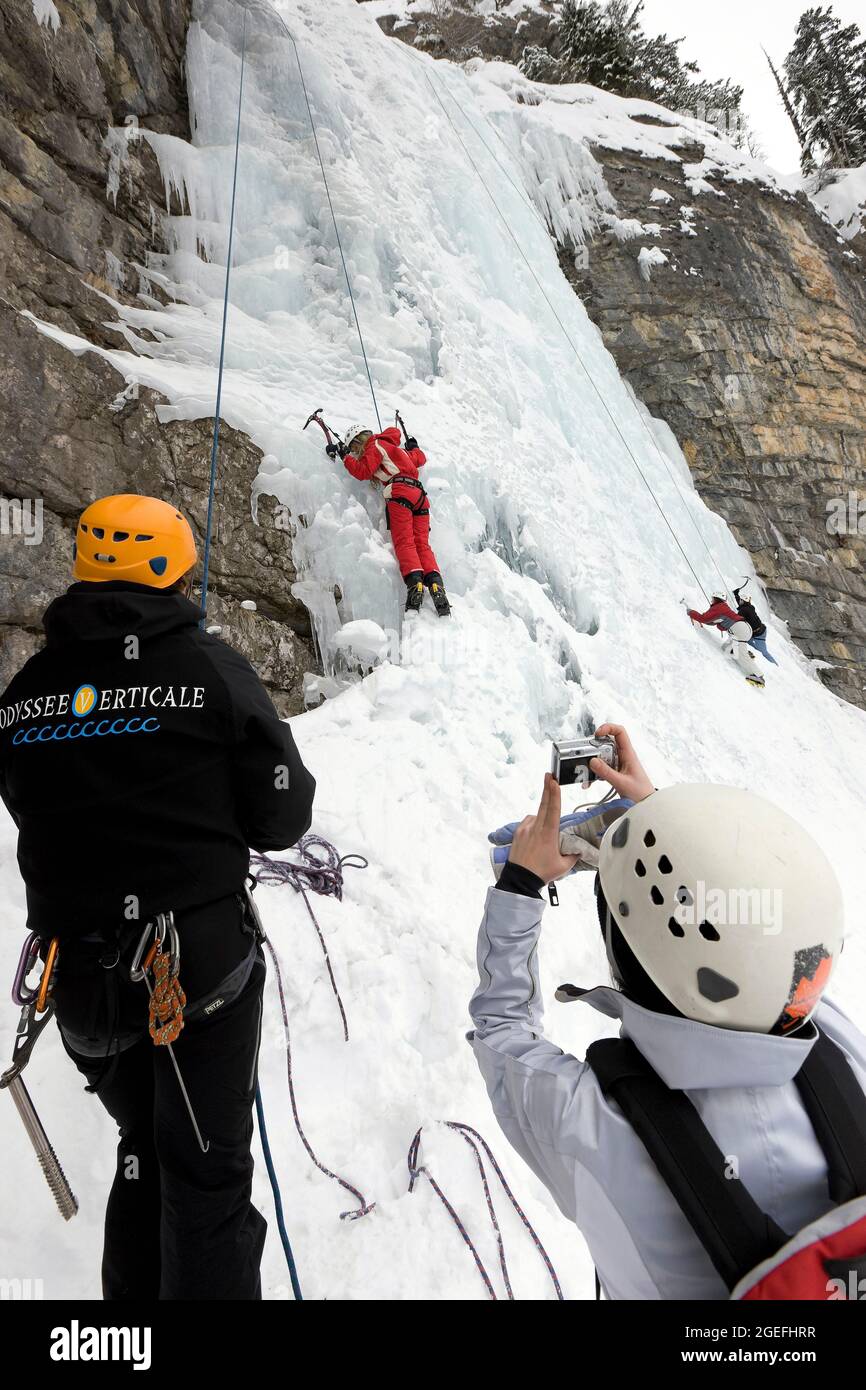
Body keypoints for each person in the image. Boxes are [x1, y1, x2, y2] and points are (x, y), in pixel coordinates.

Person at [0, 494, 316, 1301]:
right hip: (194, 969)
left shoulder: (29, 689)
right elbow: (282, 815)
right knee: (204, 1180)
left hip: (82, 990)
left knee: (142, 1149)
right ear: (176, 572)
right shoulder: (208, 666)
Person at [469, 724, 866, 1300]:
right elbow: (763, 947)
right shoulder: (844, 1052)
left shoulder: (596, 1129)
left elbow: (500, 1025)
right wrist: (659, 826)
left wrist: (522, 882)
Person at [328, 424, 451, 616]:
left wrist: (344, 457)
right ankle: (436, 585)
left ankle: (415, 584)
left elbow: (363, 471)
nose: (354, 453)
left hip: (400, 493)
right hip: (420, 496)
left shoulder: (374, 446)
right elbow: (419, 458)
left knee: (405, 542)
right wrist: (413, 447)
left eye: (353, 448)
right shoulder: (394, 448)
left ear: (359, 441)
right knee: (422, 544)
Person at [687, 593, 763, 684]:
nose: (711, 600)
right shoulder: (722, 607)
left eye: (712, 598)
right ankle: (739, 651)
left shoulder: (718, 608)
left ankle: (758, 676)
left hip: (740, 630)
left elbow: (704, 619)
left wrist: (691, 612)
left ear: (716, 599)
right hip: (743, 628)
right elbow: (713, 621)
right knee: (725, 648)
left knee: (741, 655)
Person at [733, 582, 778, 665]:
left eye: (740, 600)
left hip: (759, 635)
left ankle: (775, 665)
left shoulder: (744, 610)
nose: (740, 601)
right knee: (747, 642)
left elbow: (737, 618)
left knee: (764, 652)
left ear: (743, 601)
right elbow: (742, 604)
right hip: (758, 631)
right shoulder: (749, 606)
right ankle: (750, 654)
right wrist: (736, 595)